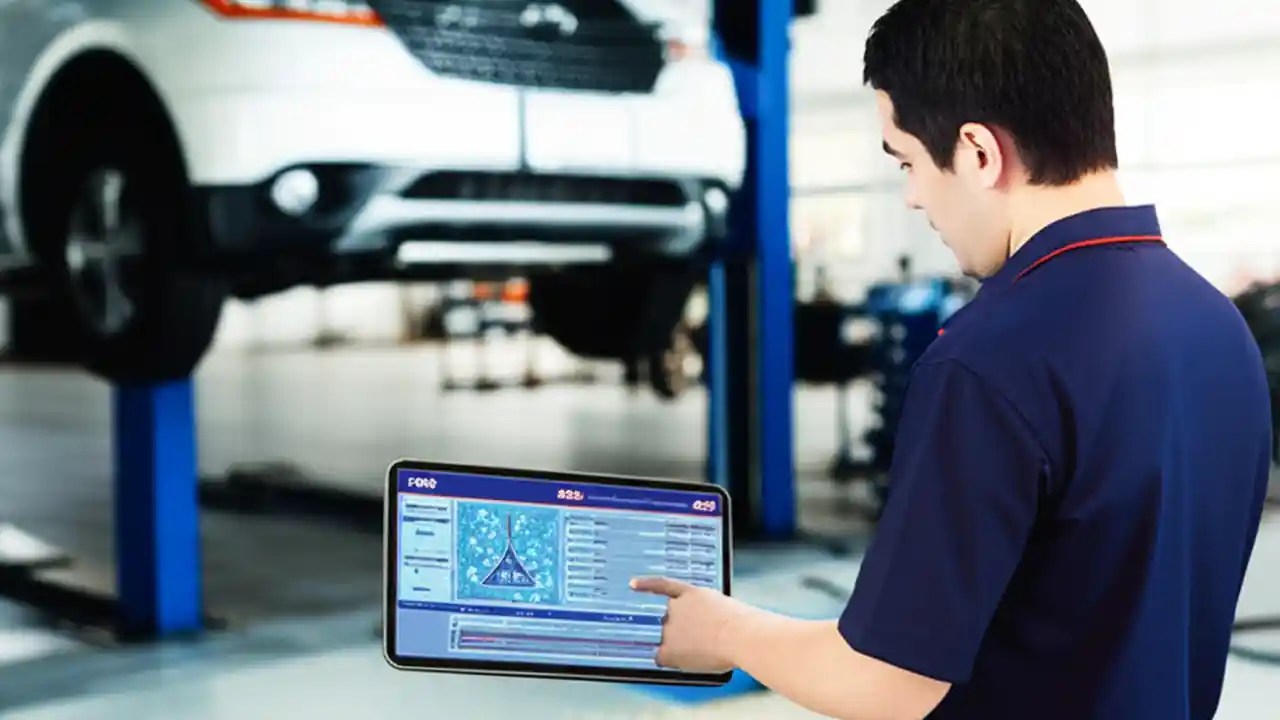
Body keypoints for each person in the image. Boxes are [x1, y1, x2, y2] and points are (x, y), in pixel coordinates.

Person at [630, 1, 1274, 718]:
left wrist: (725, 631)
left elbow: (886, 679)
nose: (912, 197)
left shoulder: (988, 360)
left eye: (906, 161)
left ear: (976, 151)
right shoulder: (1217, 327)